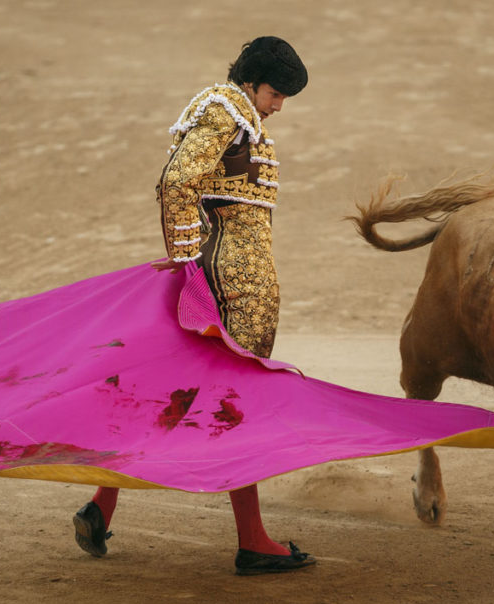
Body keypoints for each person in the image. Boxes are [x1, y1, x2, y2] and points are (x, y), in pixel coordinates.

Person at [72, 36, 315, 575]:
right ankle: (253, 541)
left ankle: (101, 506)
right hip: (234, 282)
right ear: (251, 82)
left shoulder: (232, 113)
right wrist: (187, 265)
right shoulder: (226, 112)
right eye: (275, 93)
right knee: (237, 401)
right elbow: (177, 181)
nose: (278, 105)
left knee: (177, 390)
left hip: (226, 272)